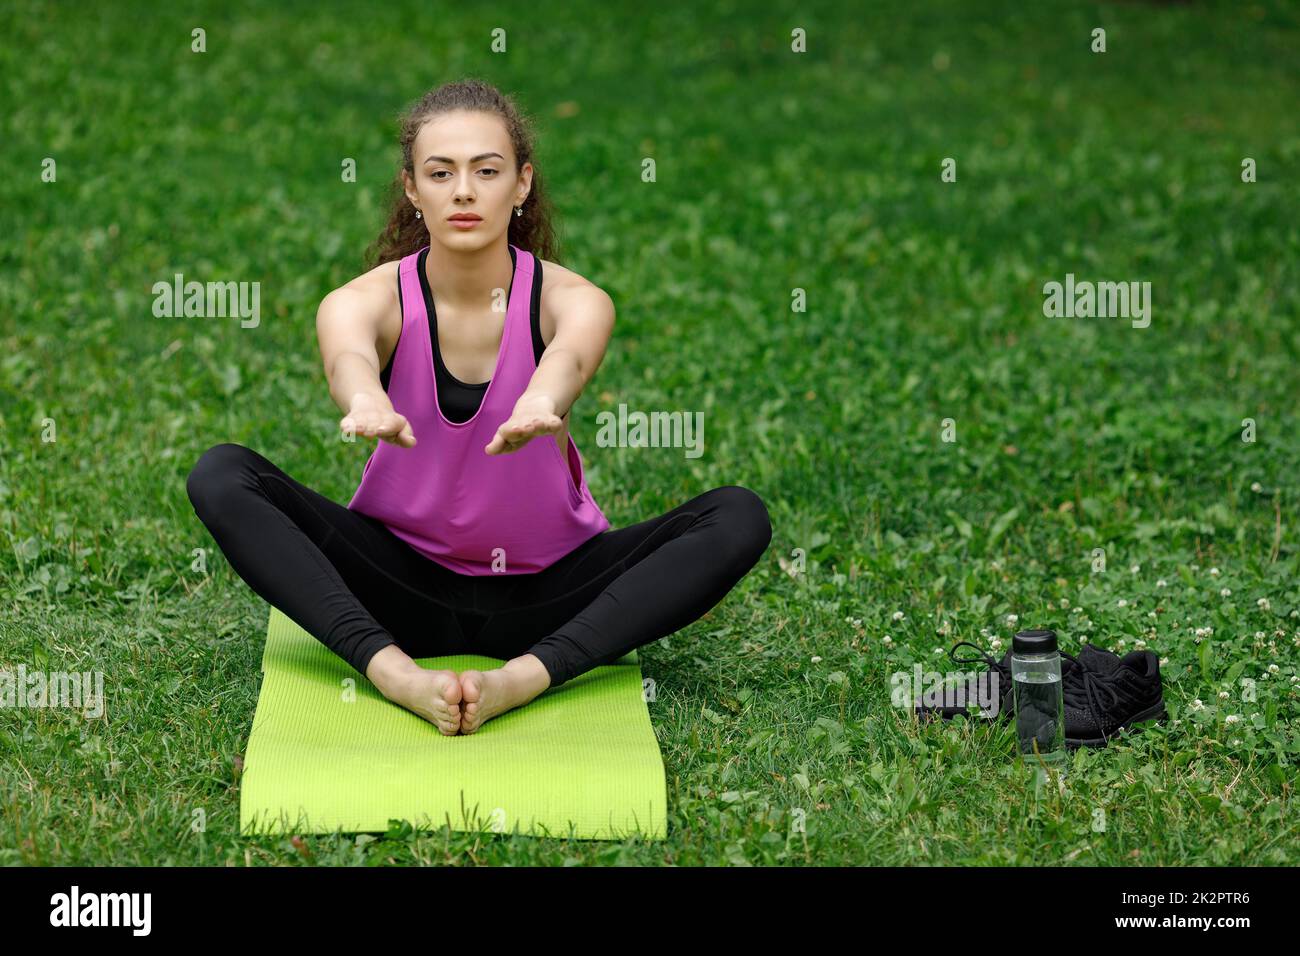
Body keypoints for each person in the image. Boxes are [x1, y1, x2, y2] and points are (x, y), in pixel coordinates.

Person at [185, 78, 771, 736]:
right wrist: (366, 397)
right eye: (441, 173)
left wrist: (542, 399)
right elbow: (346, 355)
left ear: (521, 184)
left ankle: (525, 678)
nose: (463, 191)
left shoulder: (572, 299)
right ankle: (392, 672)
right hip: (398, 588)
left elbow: (570, 359)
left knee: (738, 515)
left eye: (486, 171)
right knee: (222, 473)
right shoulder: (368, 299)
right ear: (413, 189)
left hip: (549, 595)